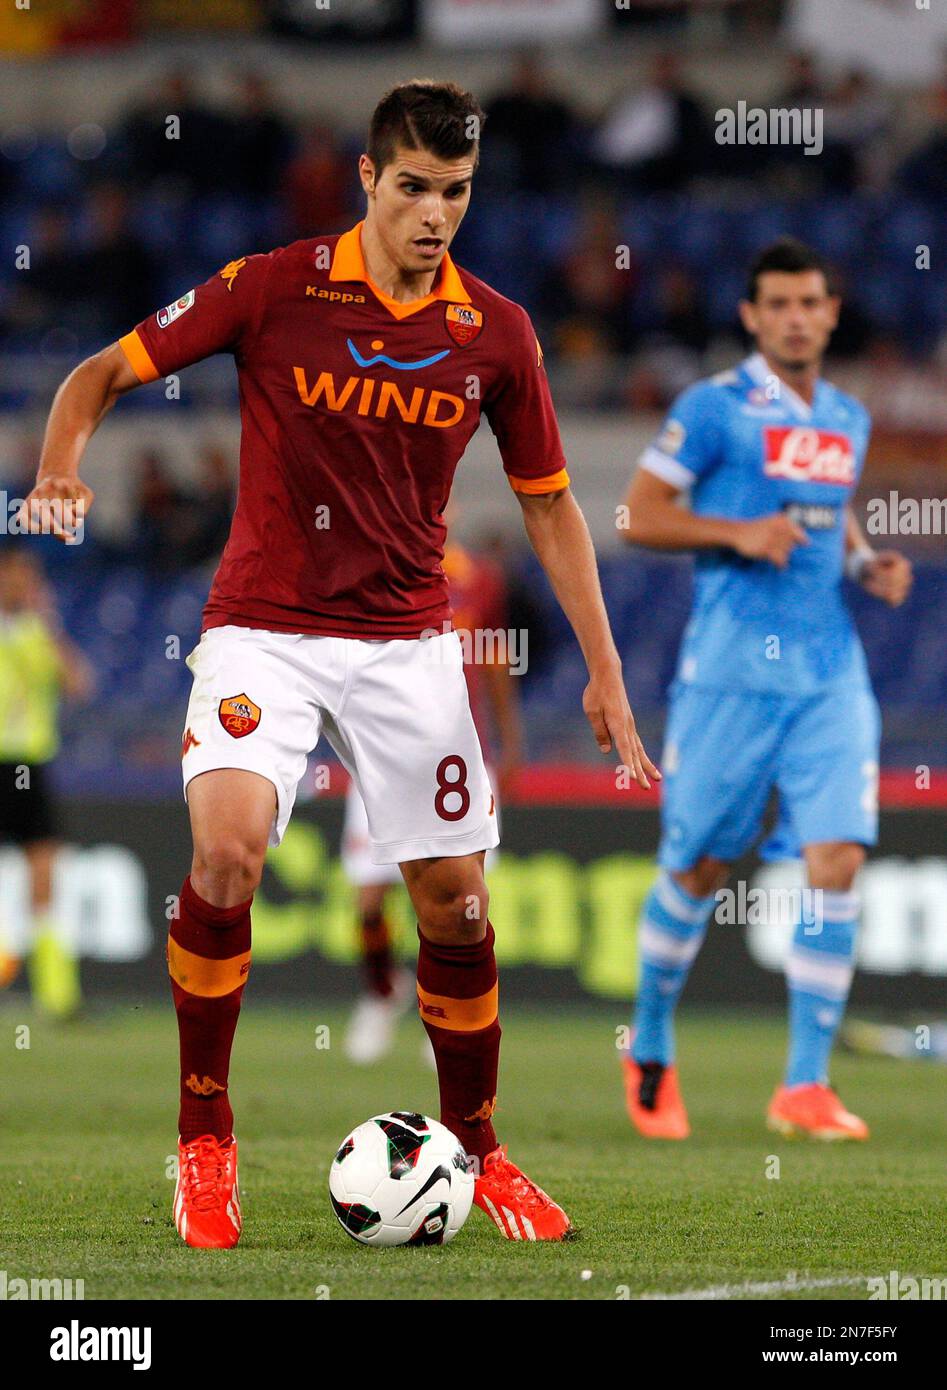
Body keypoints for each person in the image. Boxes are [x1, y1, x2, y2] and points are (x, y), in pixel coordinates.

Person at [22, 80, 658, 1248]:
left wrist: (604, 669)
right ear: (367, 179)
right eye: (412, 185)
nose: (433, 212)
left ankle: (480, 1146)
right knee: (225, 853)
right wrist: (62, 464)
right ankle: (204, 1140)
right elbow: (99, 374)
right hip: (264, 625)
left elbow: (555, 509)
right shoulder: (272, 286)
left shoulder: (496, 333)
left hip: (410, 644)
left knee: (457, 905)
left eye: (454, 191)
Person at [618, 238, 912, 1142]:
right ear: (751, 315)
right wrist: (739, 532)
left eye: (809, 303)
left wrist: (864, 561)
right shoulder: (711, 409)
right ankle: (652, 1043)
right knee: (700, 867)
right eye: (776, 302)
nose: (794, 316)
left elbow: (832, 517)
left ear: (829, 314)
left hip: (827, 676)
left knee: (838, 858)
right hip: (732, 679)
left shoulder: (846, 417)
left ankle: (804, 1084)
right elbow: (637, 514)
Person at [342, 533, 523, 1065]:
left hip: (459, 755)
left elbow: (494, 662)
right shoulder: (371, 563)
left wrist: (511, 747)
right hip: (382, 751)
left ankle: (440, 1011)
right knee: (370, 897)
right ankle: (380, 994)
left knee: (458, 898)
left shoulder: (479, 579)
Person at [0, 548, 94, 1014]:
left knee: (44, 876)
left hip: (30, 767)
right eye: (17, 575)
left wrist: (48, 627)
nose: (24, 584)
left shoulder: (39, 631)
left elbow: (79, 684)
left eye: (30, 576)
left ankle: (56, 995)